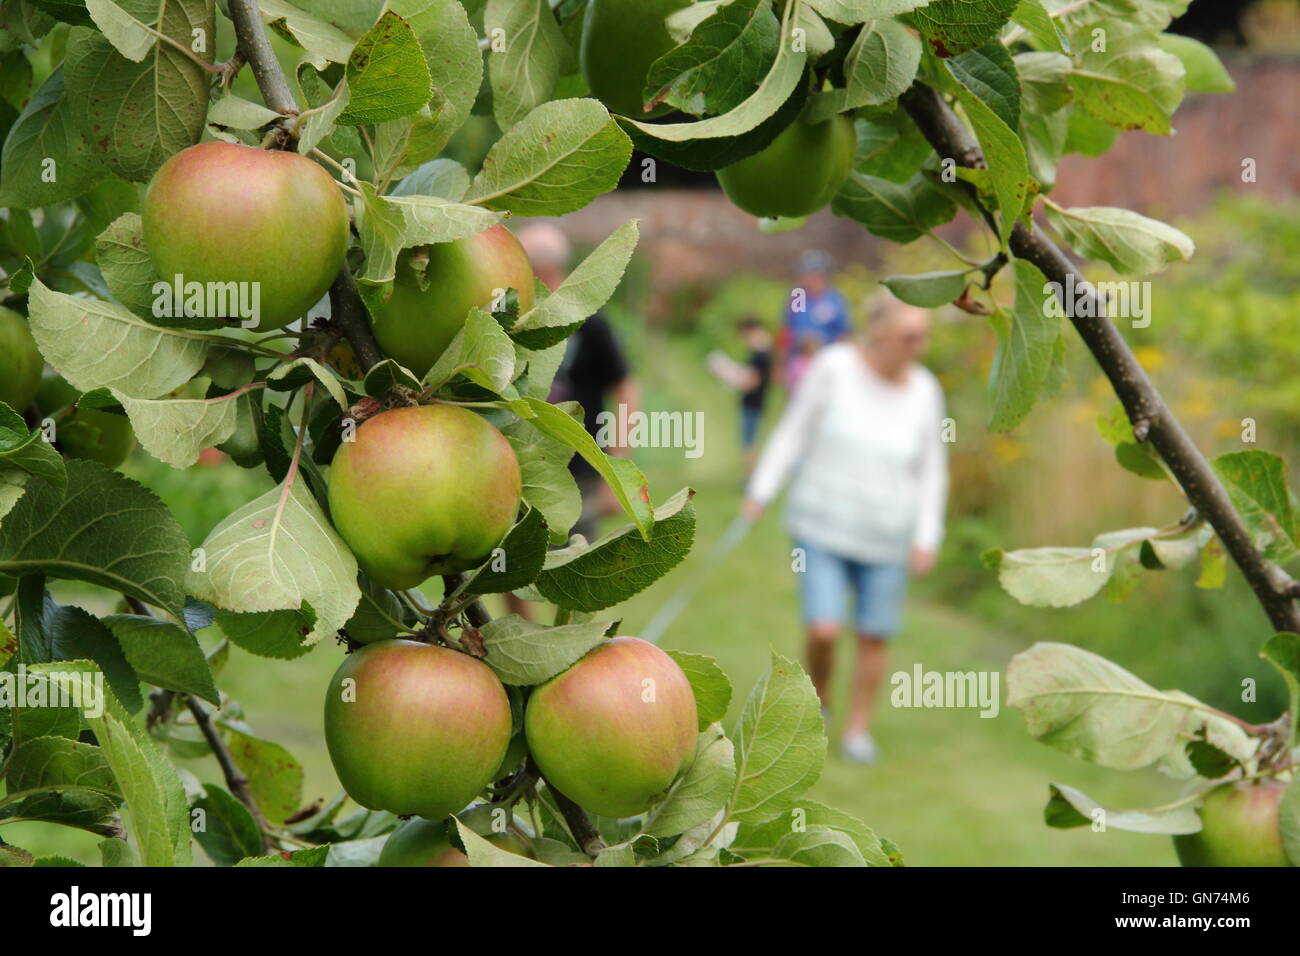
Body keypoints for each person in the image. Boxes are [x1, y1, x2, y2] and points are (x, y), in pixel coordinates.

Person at [742, 293, 948, 765]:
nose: (919, 346)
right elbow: (795, 429)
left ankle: (858, 731)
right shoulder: (834, 367)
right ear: (880, 332)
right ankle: (821, 702)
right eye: (910, 335)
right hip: (822, 525)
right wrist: (762, 489)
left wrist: (926, 534)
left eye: (925, 336)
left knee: (874, 634)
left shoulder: (925, 390)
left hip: (887, 535)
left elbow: (932, 467)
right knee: (825, 628)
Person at [516, 222, 640, 543]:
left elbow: (625, 389)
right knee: (511, 564)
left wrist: (615, 472)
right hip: (520, 468)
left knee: (575, 562)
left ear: (540, 271)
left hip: (578, 476)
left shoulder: (590, 324)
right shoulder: (513, 323)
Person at [706, 316, 772, 474]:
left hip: (753, 402)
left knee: (749, 442)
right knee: (749, 441)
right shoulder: (761, 352)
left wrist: (727, 376)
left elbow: (752, 382)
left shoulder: (760, 354)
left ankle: (751, 476)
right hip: (754, 402)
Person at [777, 249, 851, 391]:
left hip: (826, 361)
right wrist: (781, 364)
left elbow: (844, 334)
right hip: (799, 362)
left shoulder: (835, 299)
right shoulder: (799, 297)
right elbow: (788, 330)